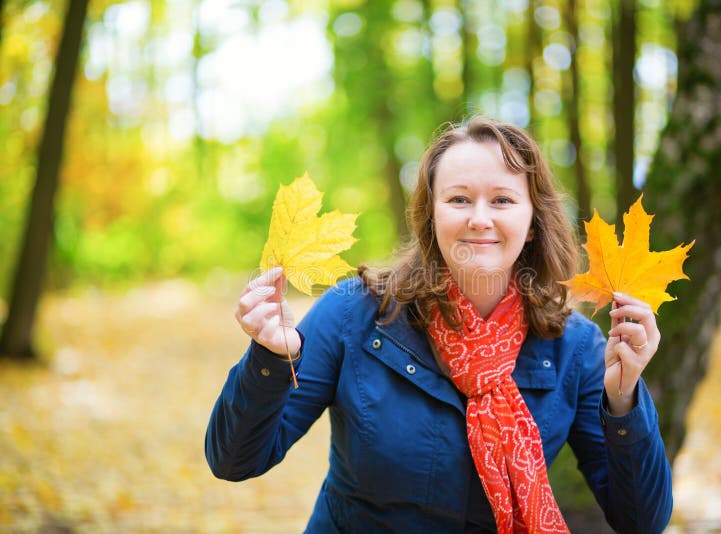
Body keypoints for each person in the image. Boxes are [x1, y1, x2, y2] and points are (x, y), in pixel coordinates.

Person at [205, 116, 673, 533]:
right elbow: (234, 460)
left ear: (532, 221)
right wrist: (271, 360)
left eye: (503, 200)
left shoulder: (574, 346)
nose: (479, 219)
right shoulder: (355, 313)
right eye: (459, 199)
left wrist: (624, 399)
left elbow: (641, 520)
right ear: (432, 215)